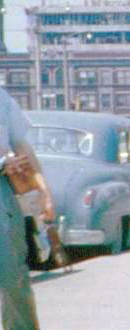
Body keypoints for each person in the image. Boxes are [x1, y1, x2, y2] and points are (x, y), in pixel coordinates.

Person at [0, 90, 49, 330]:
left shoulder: (2, 99)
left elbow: (21, 145)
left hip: (3, 193)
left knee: (13, 277)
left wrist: (44, 191)